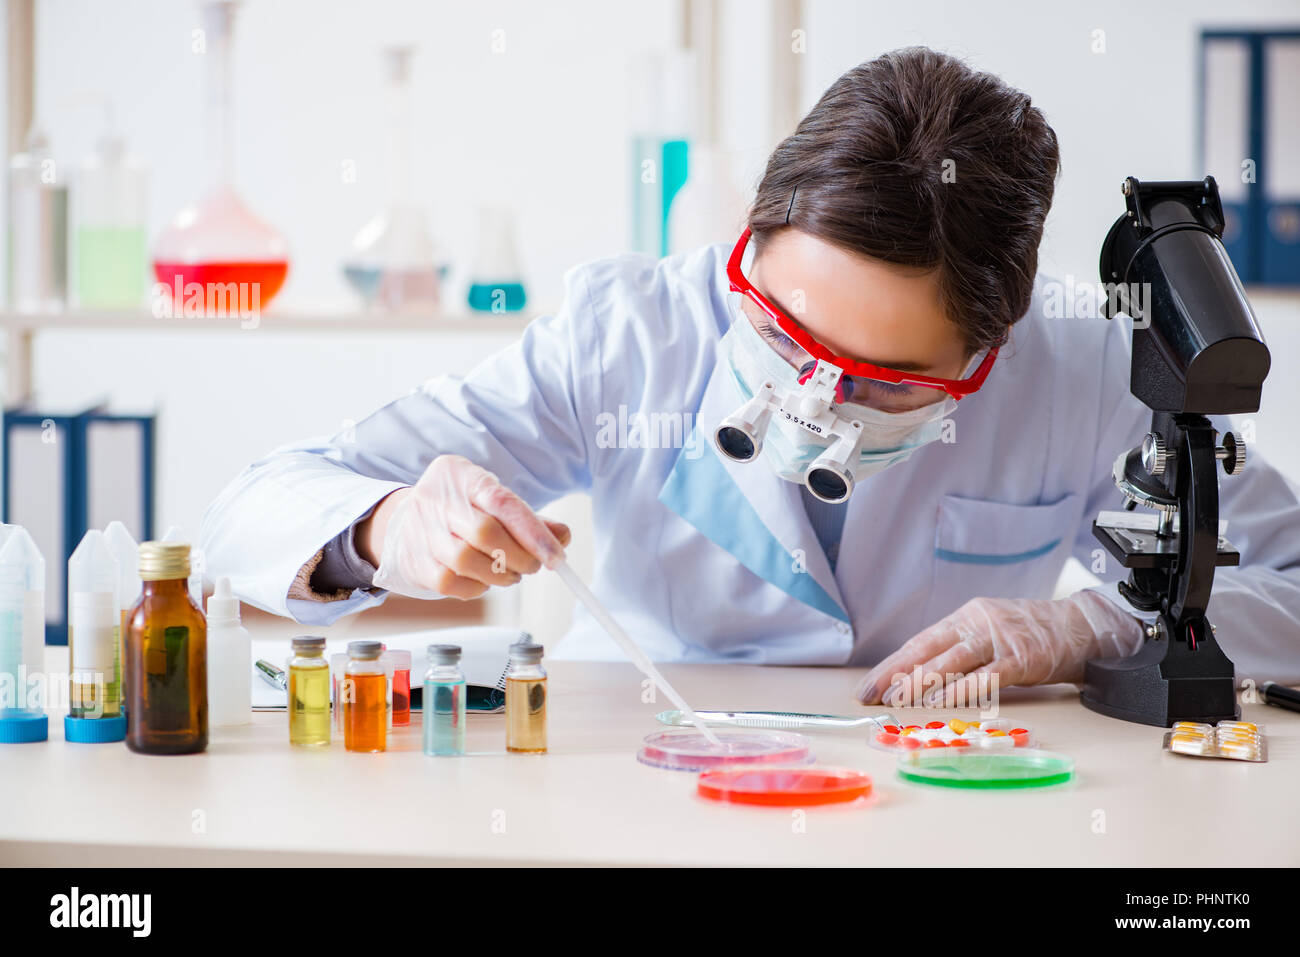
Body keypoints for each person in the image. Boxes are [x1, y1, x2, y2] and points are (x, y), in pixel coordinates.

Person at [201, 47, 1300, 707]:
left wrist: (1098, 628)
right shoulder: (626, 332)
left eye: (884, 381)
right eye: (778, 331)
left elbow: (1293, 585)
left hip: (944, 795)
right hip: (643, 772)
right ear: (749, 242)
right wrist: (383, 527)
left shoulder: (1084, 364)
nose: (813, 404)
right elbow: (254, 505)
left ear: (993, 344)